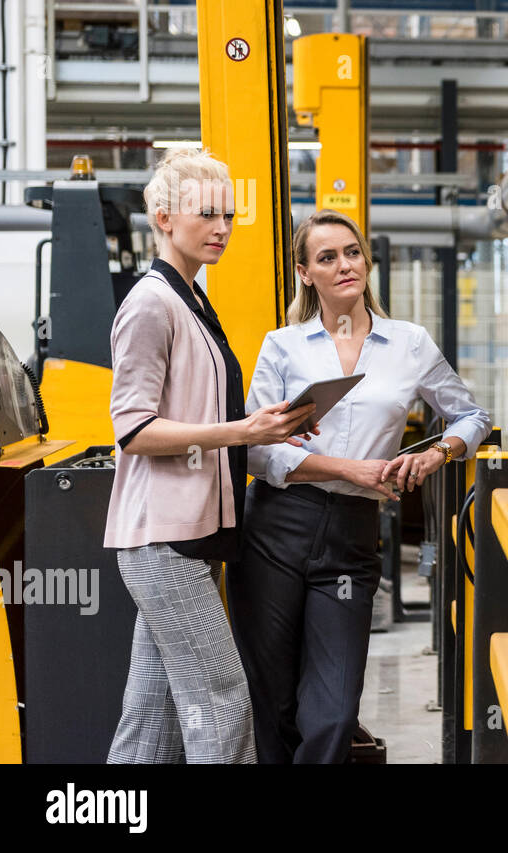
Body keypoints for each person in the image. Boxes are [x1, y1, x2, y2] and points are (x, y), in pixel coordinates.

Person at [227, 209, 491, 763]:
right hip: (274, 527)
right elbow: (255, 448)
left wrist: (440, 453)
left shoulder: (409, 344)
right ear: (305, 273)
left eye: (352, 252)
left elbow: (472, 416)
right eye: (327, 257)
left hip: (351, 535)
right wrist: (351, 469)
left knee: (333, 704)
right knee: (270, 695)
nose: (345, 265)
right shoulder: (283, 345)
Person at [105, 146, 318, 763]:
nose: (223, 228)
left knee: (154, 718)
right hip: (164, 540)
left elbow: (203, 415)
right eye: (207, 215)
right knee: (223, 702)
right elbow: (134, 428)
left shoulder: (192, 299)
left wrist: (268, 430)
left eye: (229, 215)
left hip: (191, 535)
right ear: (165, 218)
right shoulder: (152, 304)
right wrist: (240, 432)